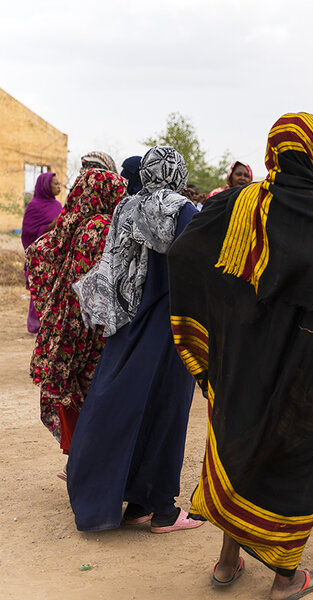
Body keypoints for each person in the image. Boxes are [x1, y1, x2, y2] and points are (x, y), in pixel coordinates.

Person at [168, 112, 313, 599]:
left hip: (243, 361)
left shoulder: (244, 204)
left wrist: (221, 321)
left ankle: (228, 563)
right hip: (305, 368)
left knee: (238, 445)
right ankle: (286, 580)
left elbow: (185, 251)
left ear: (273, 152)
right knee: (293, 460)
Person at [66, 147, 201, 533]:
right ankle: (161, 509)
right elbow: (196, 268)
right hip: (169, 324)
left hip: (126, 322)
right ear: (176, 172)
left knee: (122, 406)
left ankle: (131, 502)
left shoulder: (126, 208)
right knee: (167, 411)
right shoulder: (183, 211)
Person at [25, 170, 126, 461]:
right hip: (88, 330)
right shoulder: (100, 228)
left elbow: (39, 252)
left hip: (70, 325)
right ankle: (86, 469)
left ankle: (80, 463)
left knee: (80, 395)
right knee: (93, 398)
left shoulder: (74, 222)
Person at [21, 171, 63, 333]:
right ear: (46, 186)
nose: (58, 186)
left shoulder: (58, 205)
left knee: (54, 290)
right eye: (55, 184)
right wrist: (52, 225)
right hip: (38, 255)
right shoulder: (34, 206)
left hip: (54, 253)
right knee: (38, 289)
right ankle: (35, 324)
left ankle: (50, 323)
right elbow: (28, 233)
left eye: (59, 183)